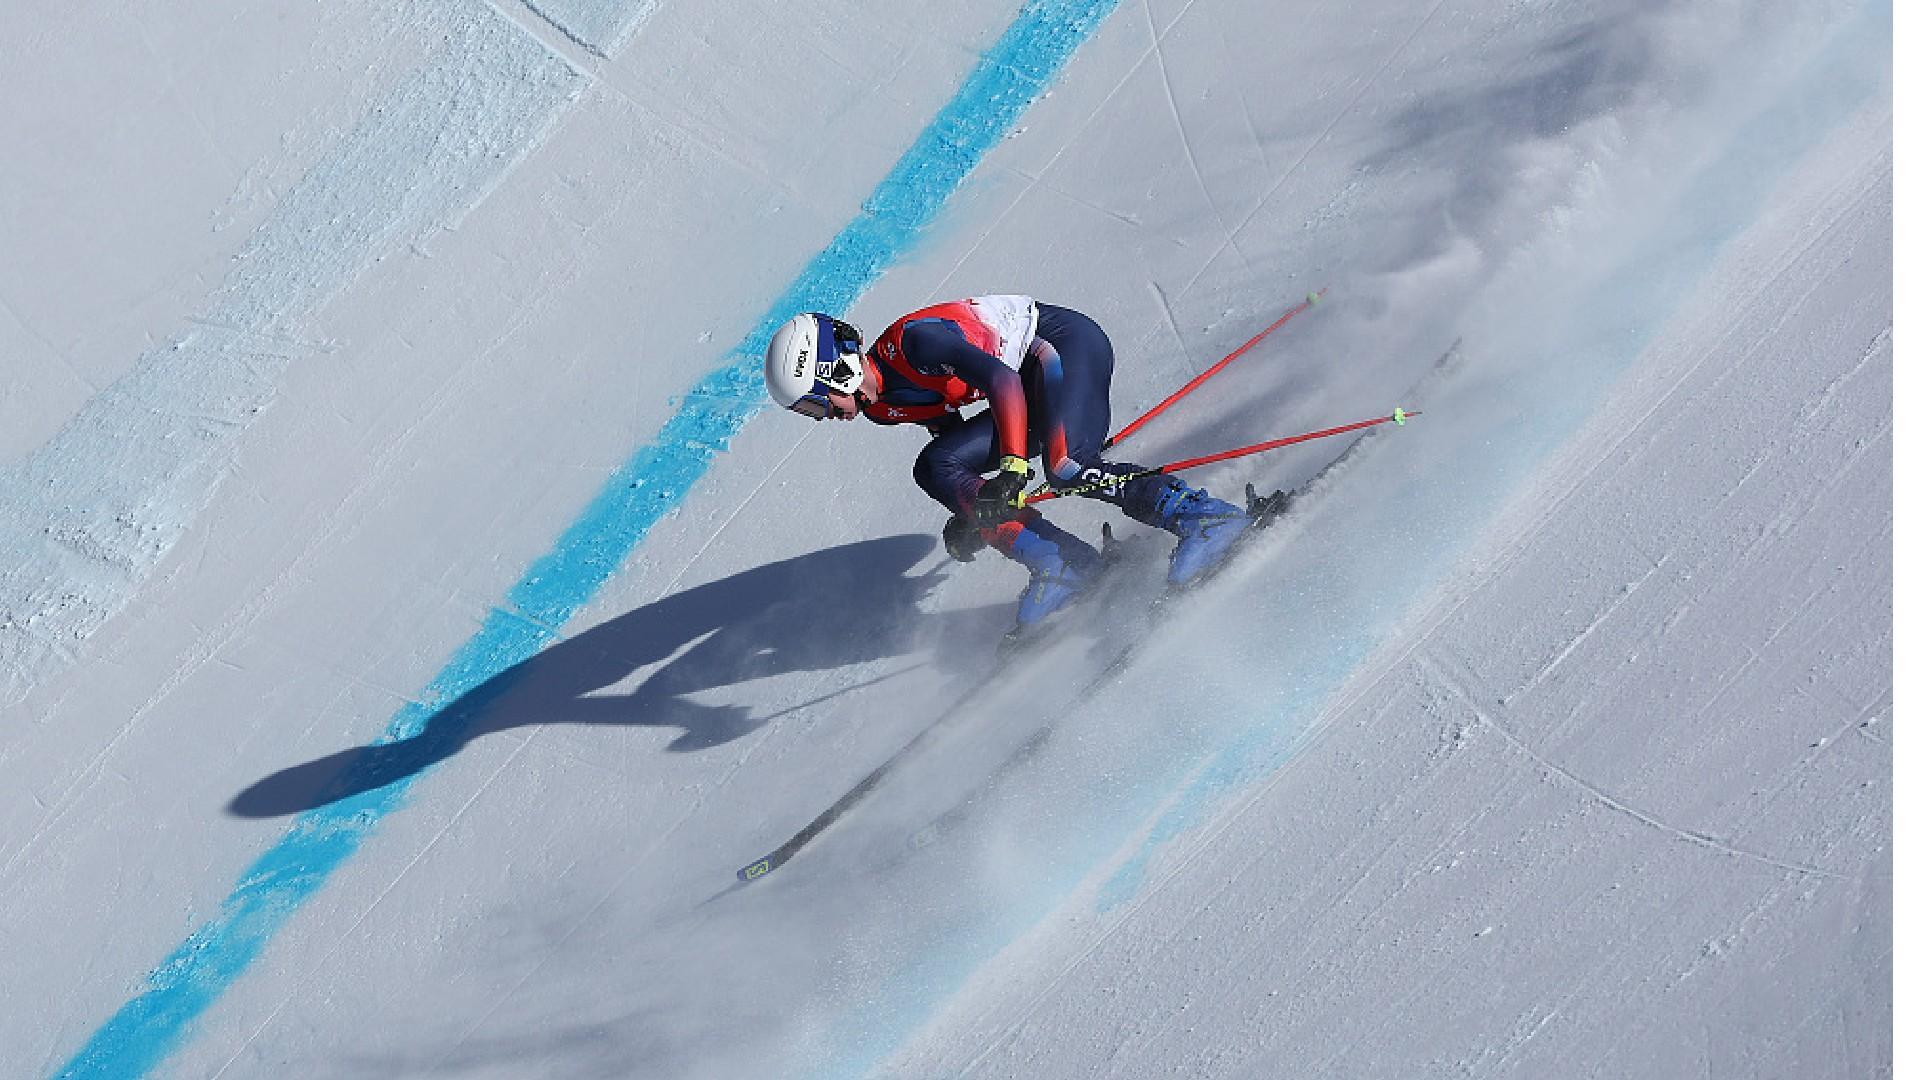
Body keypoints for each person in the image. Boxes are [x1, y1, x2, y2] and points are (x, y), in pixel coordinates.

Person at [762, 295, 1252, 626]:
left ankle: (1204, 518)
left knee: (1065, 466)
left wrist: (1015, 469)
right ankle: (1063, 565)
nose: (819, 417)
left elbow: (1002, 381)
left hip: (1060, 347)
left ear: (835, 371)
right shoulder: (883, 410)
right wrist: (974, 511)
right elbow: (954, 446)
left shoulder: (916, 343)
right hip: (1026, 389)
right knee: (934, 465)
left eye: (813, 403)